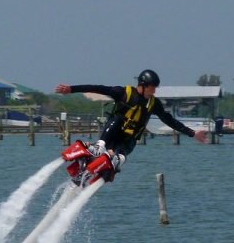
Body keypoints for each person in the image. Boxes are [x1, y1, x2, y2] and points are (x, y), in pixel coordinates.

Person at [54, 69, 207, 173]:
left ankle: (116, 159)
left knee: (121, 152)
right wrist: (71, 89)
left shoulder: (154, 103)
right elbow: (97, 88)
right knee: (118, 118)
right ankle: (99, 147)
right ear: (142, 85)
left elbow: (170, 120)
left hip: (128, 141)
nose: (154, 91)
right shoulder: (123, 93)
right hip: (112, 133)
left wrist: (192, 133)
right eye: (152, 88)